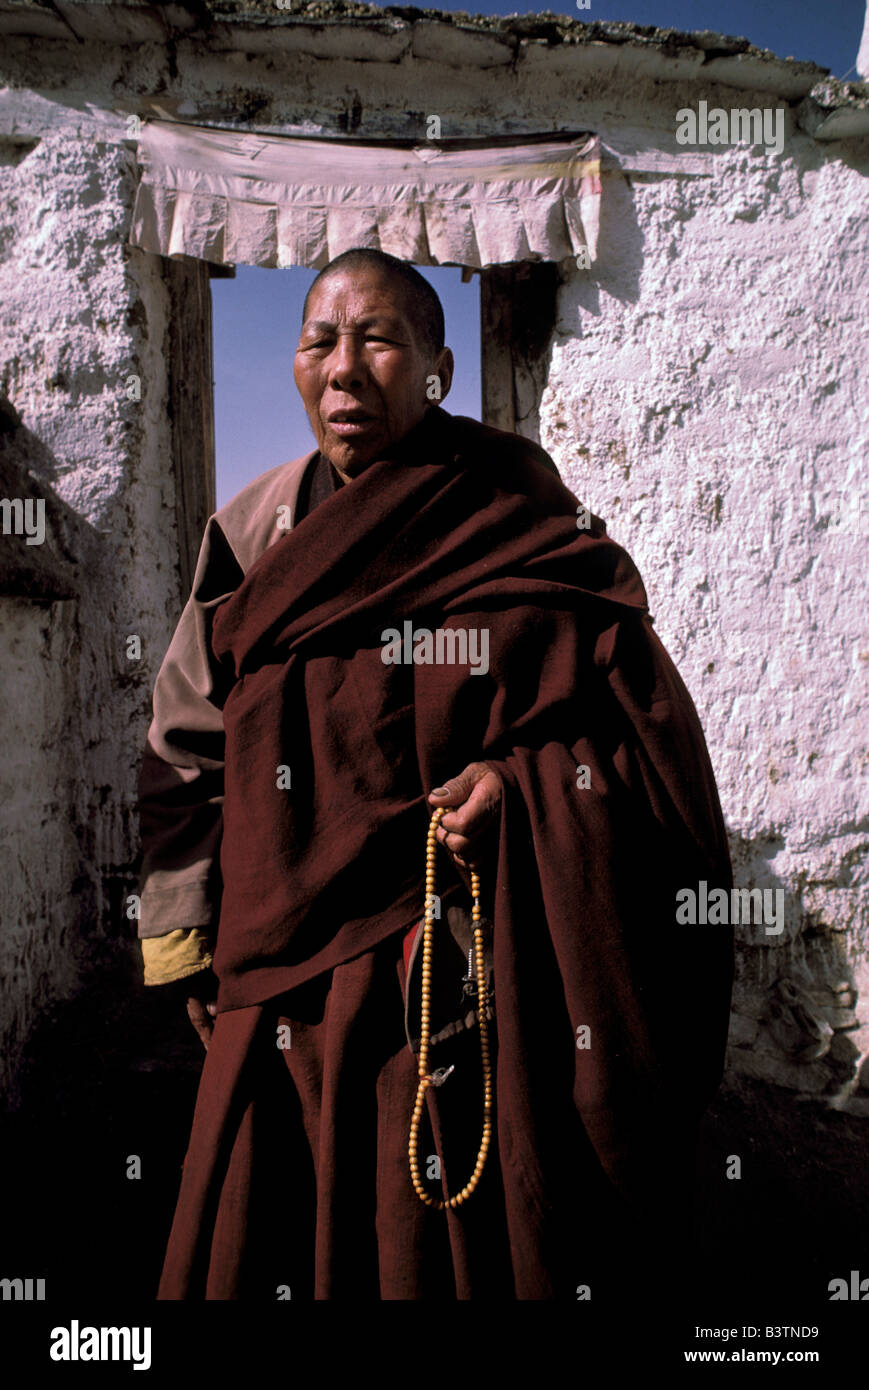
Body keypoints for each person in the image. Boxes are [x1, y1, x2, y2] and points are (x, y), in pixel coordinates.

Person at [136, 247, 734, 1302]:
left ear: (436, 368)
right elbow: (186, 739)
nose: (344, 368)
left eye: (378, 339)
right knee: (285, 1213)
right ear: (295, 364)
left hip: (474, 942)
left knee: (474, 1221)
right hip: (289, 956)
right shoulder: (252, 532)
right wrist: (183, 937)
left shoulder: (515, 510)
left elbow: (634, 731)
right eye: (319, 340)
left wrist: (519, 782)